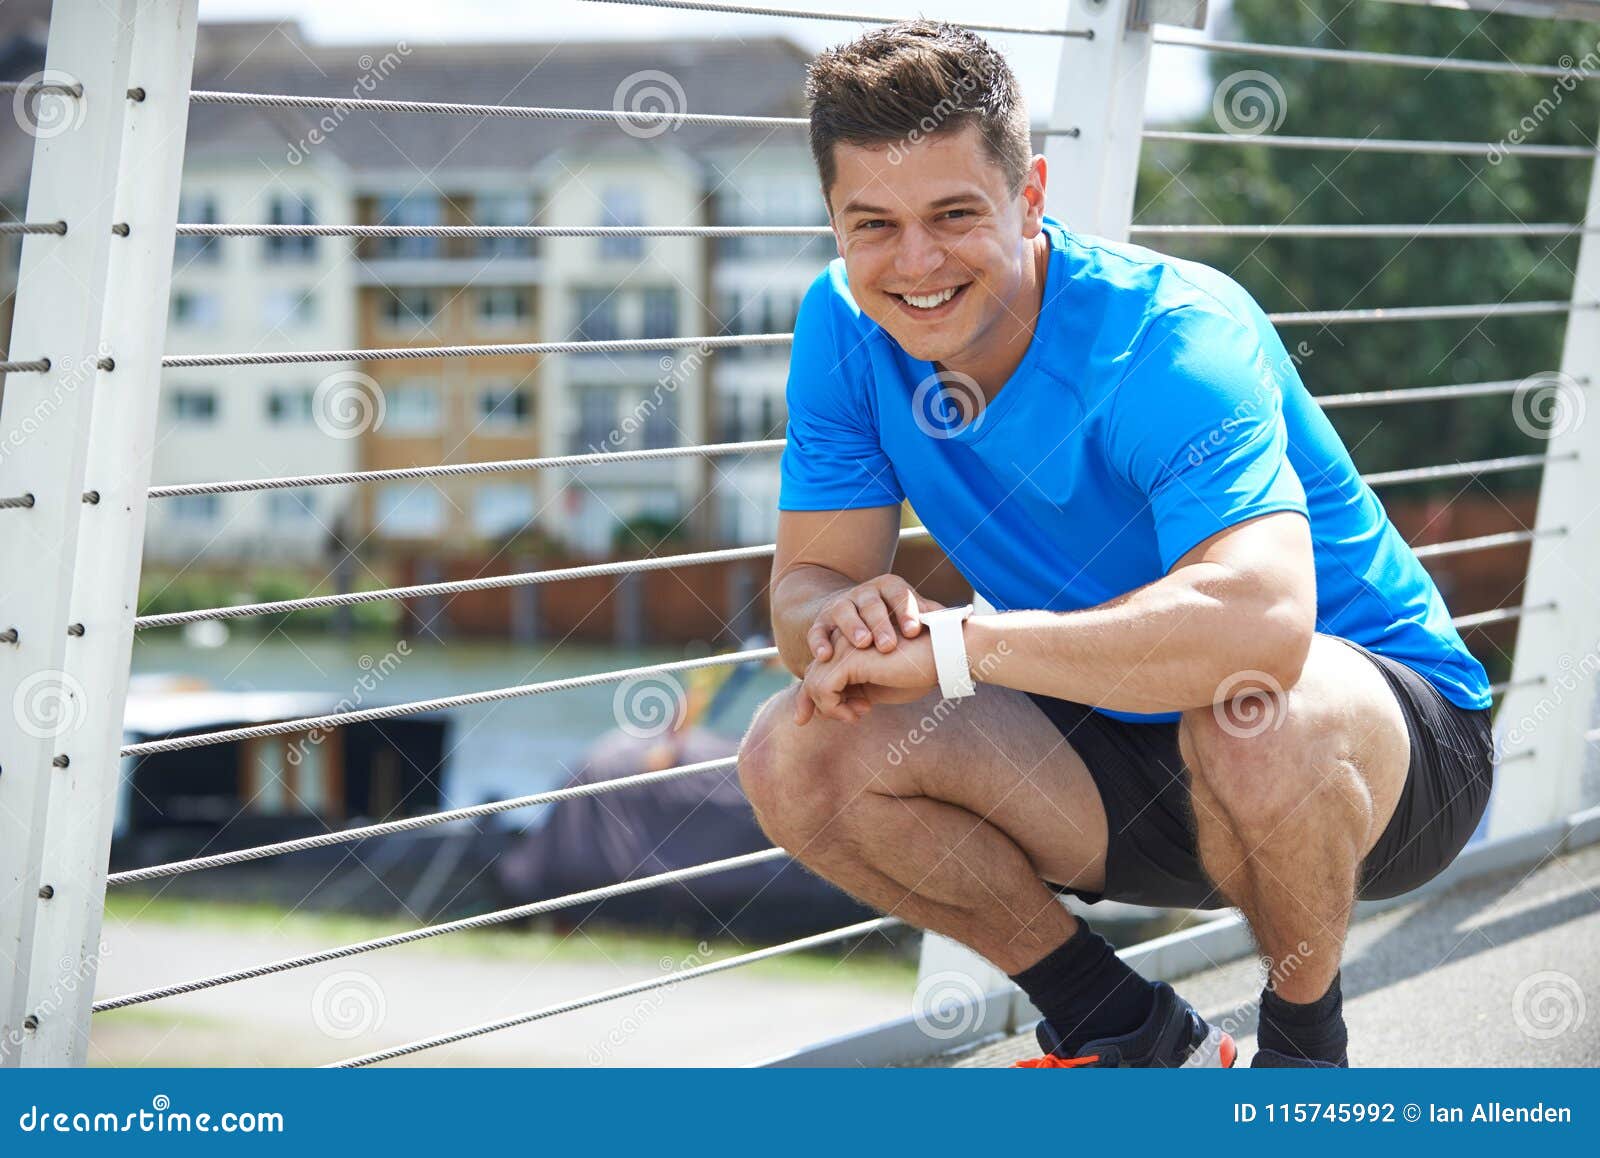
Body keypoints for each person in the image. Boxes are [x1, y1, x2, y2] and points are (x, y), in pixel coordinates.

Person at [735, 19, 1494, 1069]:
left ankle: (1303, 1059)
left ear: (1030, 193)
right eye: (873, 224)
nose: (914, 263)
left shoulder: (1172, 338)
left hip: (1380, 756)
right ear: (833, 220)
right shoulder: (842, 327)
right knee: (795, 749)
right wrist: (838, 618)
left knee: (1245, 706)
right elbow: (804, 589)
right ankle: (1124, 1034)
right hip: (1115, 748)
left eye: (954, 214)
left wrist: (956, 647)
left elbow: (1259, 629)